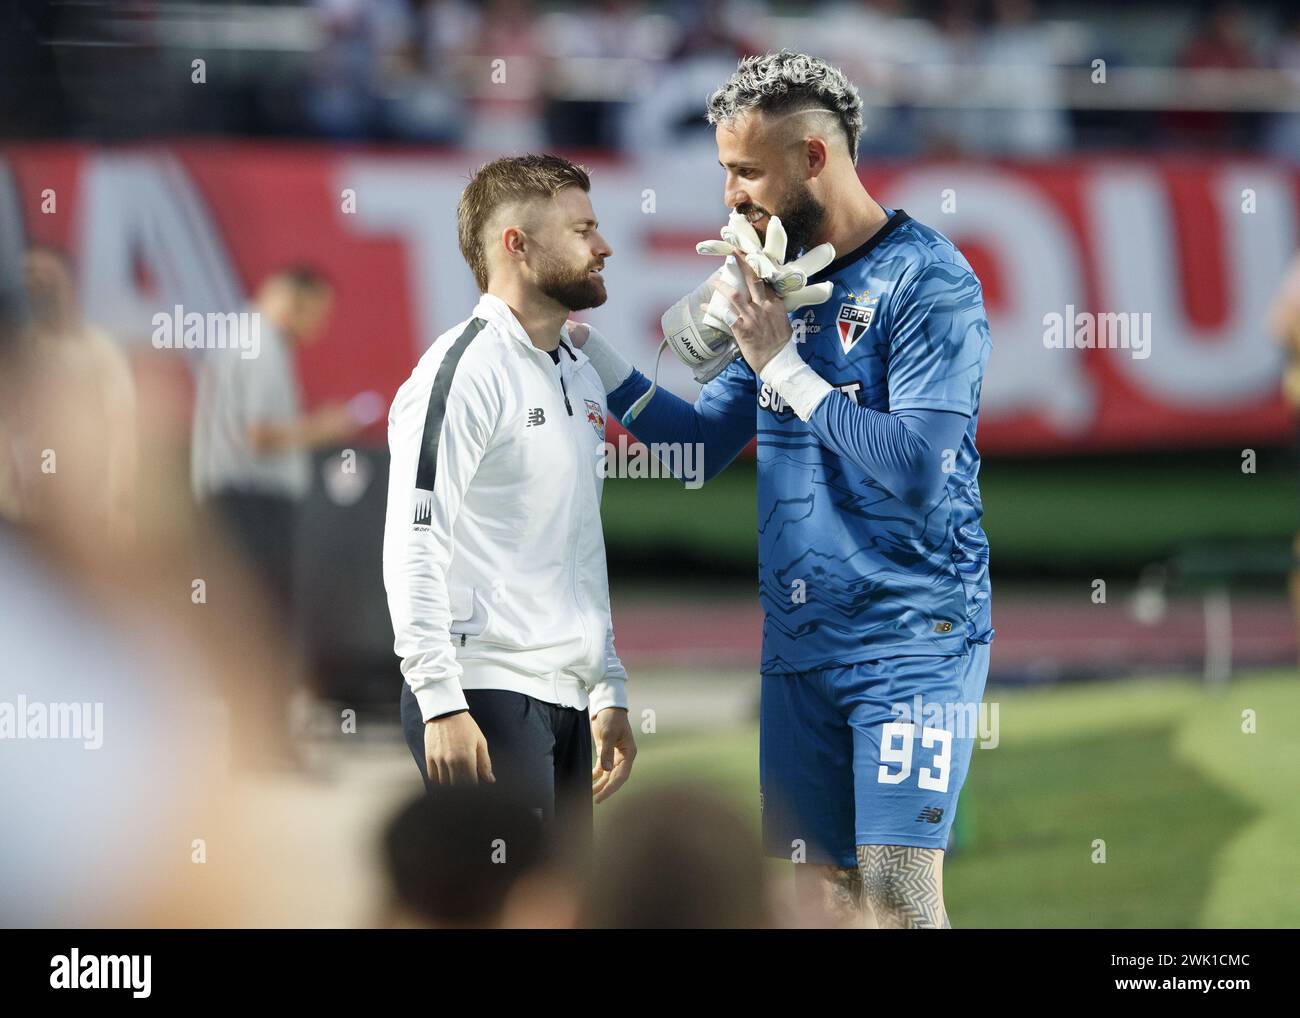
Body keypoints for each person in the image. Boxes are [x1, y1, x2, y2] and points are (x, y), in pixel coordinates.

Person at [573, 50, 993, 927]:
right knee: (820, 904)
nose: (731, 194)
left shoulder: (930, 280)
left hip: (914, 639)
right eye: (725, 170)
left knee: (900, 901)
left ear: (813, 158)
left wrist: (783, 365)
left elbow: (918, 468)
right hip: (801, 647)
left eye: (745, 171)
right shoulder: (780, 284)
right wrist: (590, 352)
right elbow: (698, 450)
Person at [385, 154, 636, 849]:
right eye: (582, 228)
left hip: (563, 695)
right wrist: (439, 700)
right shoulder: (462, 369)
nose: (603, 245)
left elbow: (578, 544)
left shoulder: (580, 375)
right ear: (515, 245)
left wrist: (605, 682)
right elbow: (415, 538)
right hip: (481, 689)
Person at [190, 266, 362, 767]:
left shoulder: (243, 339)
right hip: (250, 502)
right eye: (317, 314)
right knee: (264, 622)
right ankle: (264, 745)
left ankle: (253, 742)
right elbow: (259, 435)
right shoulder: (259, 344)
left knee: (248, 621)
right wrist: (324, 428)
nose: (319, 327)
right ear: (294, 300)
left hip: (237, 500)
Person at [0, 245, 136, 546]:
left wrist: (118, 505)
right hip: (22, 518)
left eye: (47, 275)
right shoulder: (17, 353)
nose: (36, 283)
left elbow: (121, 433)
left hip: (85, 518)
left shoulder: (100, 352)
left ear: (70, 285)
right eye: (29, 275)